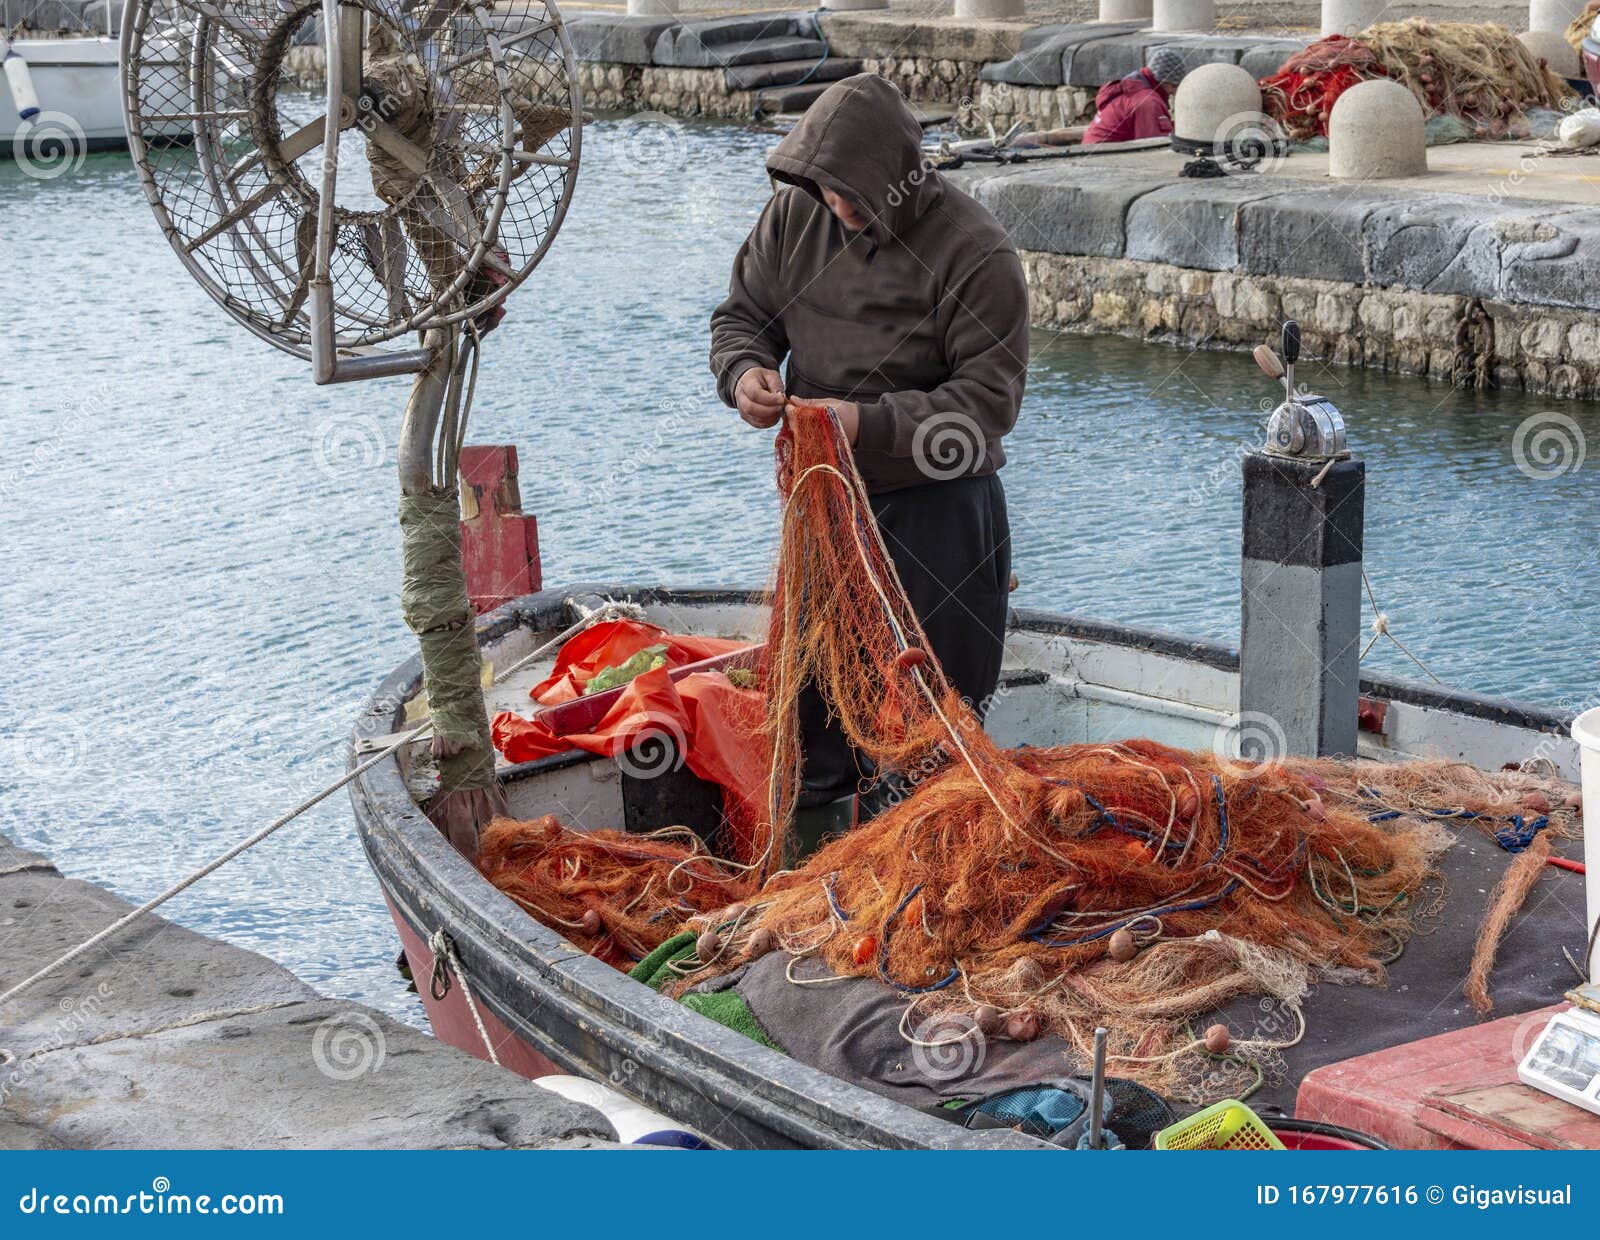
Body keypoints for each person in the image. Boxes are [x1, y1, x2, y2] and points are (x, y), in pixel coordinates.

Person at [709, 73, 1027, 824]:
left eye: (847, 191)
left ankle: (930, 909)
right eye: (821, 188)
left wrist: (867, 425)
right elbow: (742, 316)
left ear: (894, 179)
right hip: (826, 509)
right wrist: (744, 373)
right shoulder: (795, 215)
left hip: (940, 520)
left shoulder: (977, 252)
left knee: (935, 743)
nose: (833, 204)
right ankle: (814, 888)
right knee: (815, 727)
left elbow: (987, 409)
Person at [1082, 47, 1188, 144]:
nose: (1174, 93)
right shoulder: (1149, 103)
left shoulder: (1134, 86)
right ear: (1164, 81)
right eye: (1174, 86)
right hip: (1104, 157)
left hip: (1092, 148)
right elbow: (1154, 147)